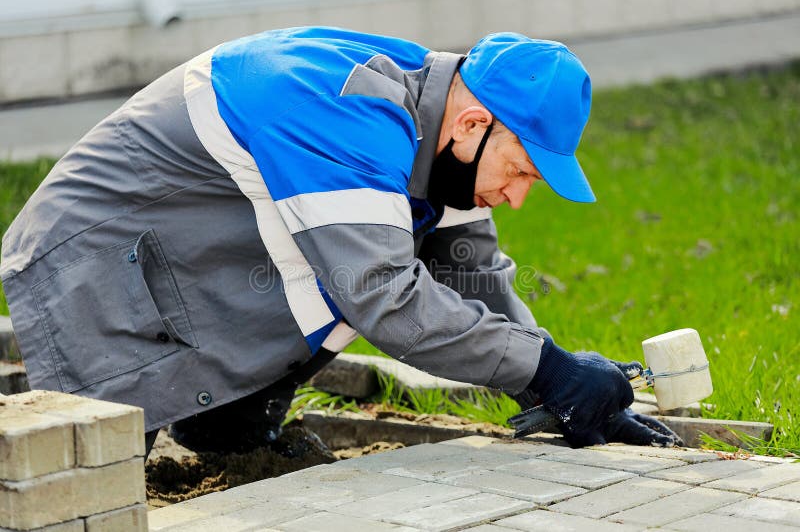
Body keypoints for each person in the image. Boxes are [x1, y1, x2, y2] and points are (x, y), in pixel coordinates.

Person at [0, 27, 681, 457]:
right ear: (474, 126)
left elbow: (475, 278)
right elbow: (383, 298)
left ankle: (227, 428)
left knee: (373, 262)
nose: (517, 194)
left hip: (177, 258)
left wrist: (551, 384)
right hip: (93, 262)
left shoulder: (430, 129)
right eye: (523, 171)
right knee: (92, 475)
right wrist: (548, 369)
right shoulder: (349, 114)